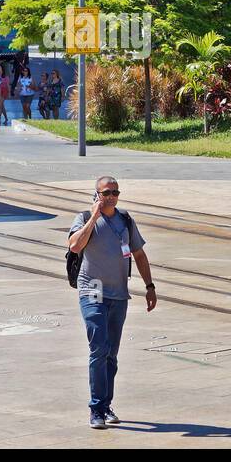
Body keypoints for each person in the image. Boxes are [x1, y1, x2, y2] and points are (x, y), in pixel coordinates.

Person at [68, 176, 156, 429]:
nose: (111, 197)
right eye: (106, 193)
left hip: (119, 292)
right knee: (99, 348)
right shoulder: (84, 218)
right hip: (92, 289)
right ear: (96, 195)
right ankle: (96, 409)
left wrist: (150, 287)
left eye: (115, 192)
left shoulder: (125, 219)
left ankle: (106, 406)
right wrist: (94, 217)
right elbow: (74, 246)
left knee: (111, 354)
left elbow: (138, 253)